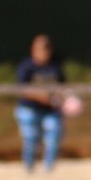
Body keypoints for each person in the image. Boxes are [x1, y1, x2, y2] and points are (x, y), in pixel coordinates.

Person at [14, 33, 68, 172]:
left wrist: (65, 100)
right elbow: (22, 89)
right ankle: (29, 167)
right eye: (41, 48)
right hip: (29, 108)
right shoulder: (26, 67)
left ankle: (48, 169)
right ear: (33, 50)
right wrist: (42, 97)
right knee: (31, 139)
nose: (45, 51)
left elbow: (62, 87)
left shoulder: (55, 66)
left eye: (47, 48)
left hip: (50, 110)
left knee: (54, 137)